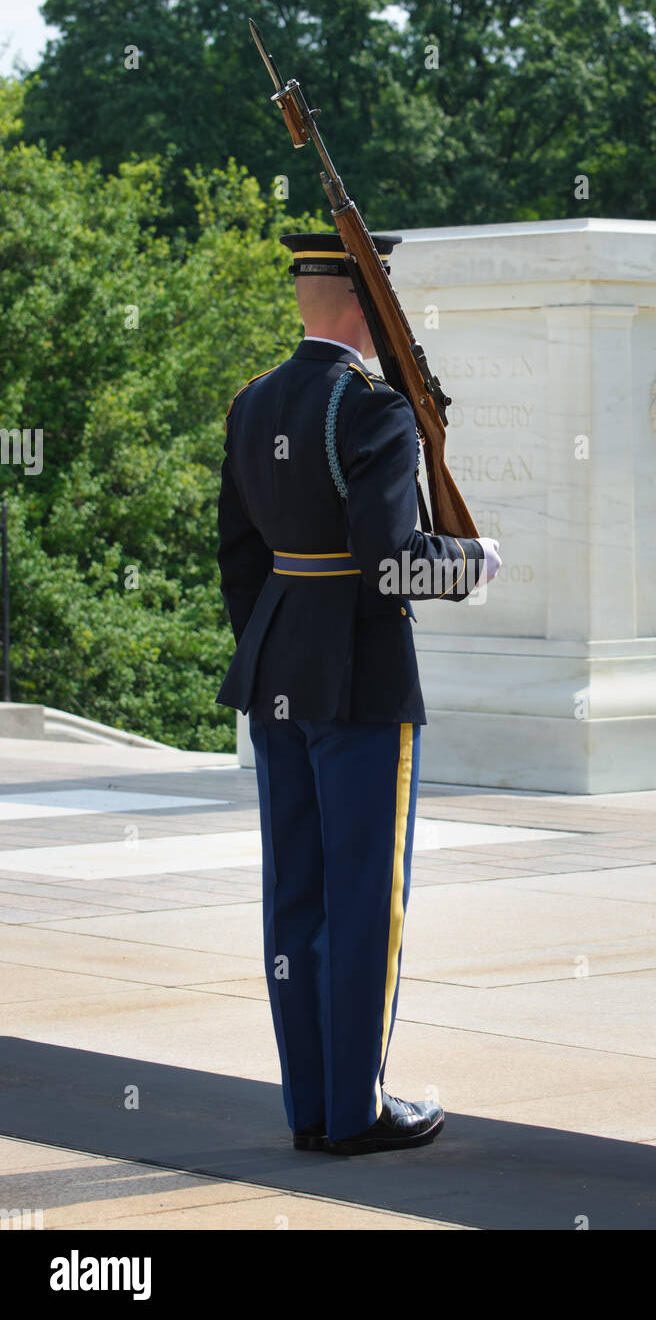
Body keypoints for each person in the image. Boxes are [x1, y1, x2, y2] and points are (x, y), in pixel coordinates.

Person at [215, 231, 501, 1156]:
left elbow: (239, 561)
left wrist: (275, 651)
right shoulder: (374, 412)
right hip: (363, 680)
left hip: (277, 674)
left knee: (295, 896)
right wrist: (474, 563)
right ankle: (358, 1111)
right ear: (364, 304)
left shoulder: (253, 403)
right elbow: (389, 564)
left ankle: (310, 1106)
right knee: (365, 900)